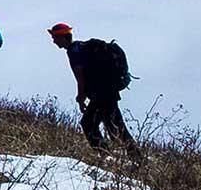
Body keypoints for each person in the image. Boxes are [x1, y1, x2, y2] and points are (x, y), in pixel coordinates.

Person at [49, 23, 142, 161]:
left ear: (63, 37)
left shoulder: (74, 51)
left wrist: (81, 98)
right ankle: (124, 157)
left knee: (103, 126)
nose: (54, 41)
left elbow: (80, 78)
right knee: (109, 126)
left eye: (55, 37)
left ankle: (126, 158)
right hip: (106, 92)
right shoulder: (81, 48)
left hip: (102, 94)